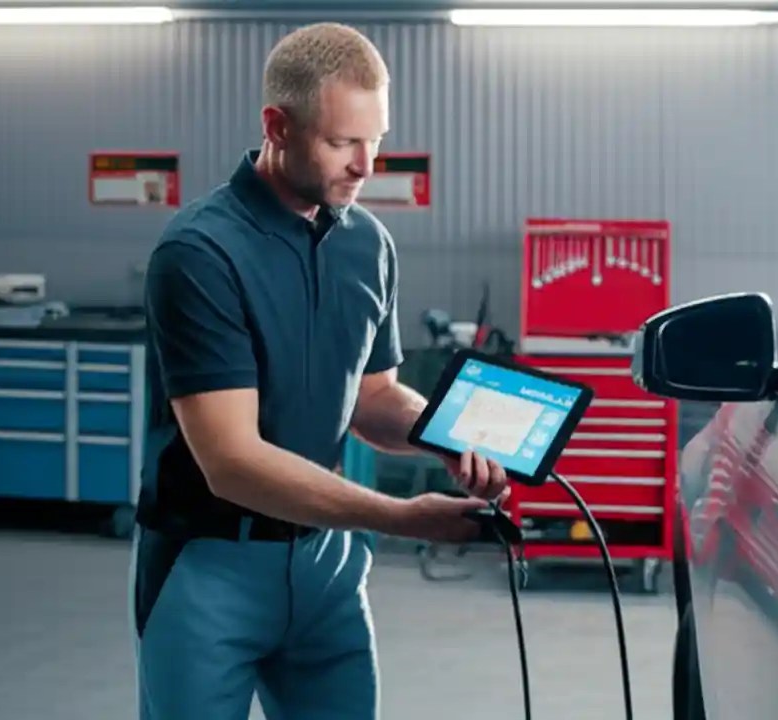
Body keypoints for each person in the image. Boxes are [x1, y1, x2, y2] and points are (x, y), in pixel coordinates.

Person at [131, 22, 509, 720]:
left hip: (326, 567)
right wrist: (402, 518)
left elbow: (372, 399)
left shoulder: (368, 243)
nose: (367, 165)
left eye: (377, 140)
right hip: (209, 564)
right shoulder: (199, 252)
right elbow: (234, 463)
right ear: (277, 125)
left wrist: (449, 434)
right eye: (342, 142)